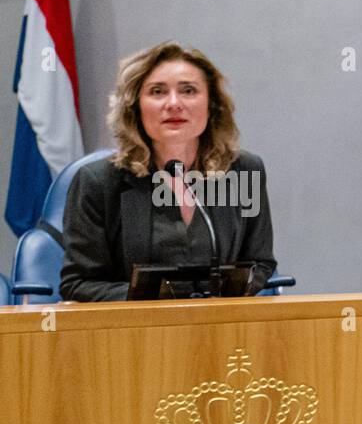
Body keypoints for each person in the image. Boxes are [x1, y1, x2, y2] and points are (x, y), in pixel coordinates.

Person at [60, 42, 275, 301]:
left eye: (188, 90)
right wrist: (166, 300)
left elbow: (260, 263)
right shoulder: (98, 182)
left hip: (221, 322)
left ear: (212, 105)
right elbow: (79, 284)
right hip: (135, 325)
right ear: (135, 107)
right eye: (157, 91)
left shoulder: (244, 172)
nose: (173, 103)